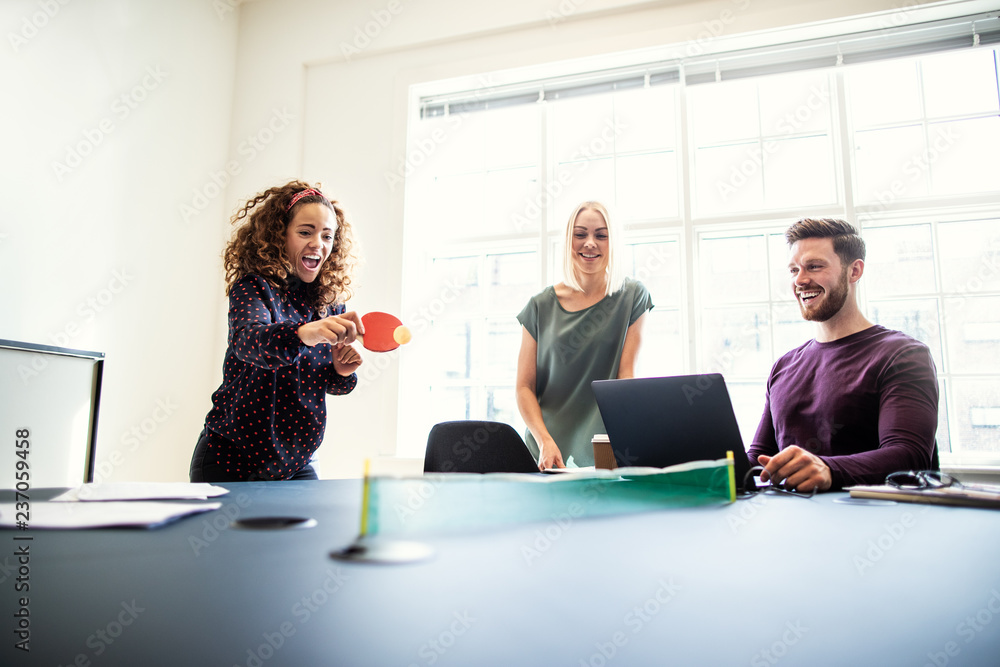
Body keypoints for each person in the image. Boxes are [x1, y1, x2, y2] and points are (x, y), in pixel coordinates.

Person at [190, 181, 364, 482]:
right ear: (279, 235)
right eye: (305, 232)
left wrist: (342, 371)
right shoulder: (254, 287)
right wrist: (304, 333)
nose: (318, 244)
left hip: (298, 464)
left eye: (327, 236)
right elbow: (249, 342)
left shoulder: (330, 302)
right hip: (231, 460)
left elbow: (329, 384)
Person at [749, 218, 938, 492]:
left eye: (814, 266)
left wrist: (829, 469)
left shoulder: (902, 355)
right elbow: (759, 458)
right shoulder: (784, 365)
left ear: (854, 271)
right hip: (788, 524)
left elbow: (910, 455)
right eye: (793, 270)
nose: (800, 280)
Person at [516, 201, 653, 470]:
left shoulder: (633, 296)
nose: (590, 243)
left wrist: (631, 436)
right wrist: (544, 441)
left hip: (604, 448)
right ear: (569, 241)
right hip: (545, 452)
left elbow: (627, 376)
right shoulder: (539, 305)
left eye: (601, 235)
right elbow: (524, 387)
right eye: (580, 234)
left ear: (612, 242)